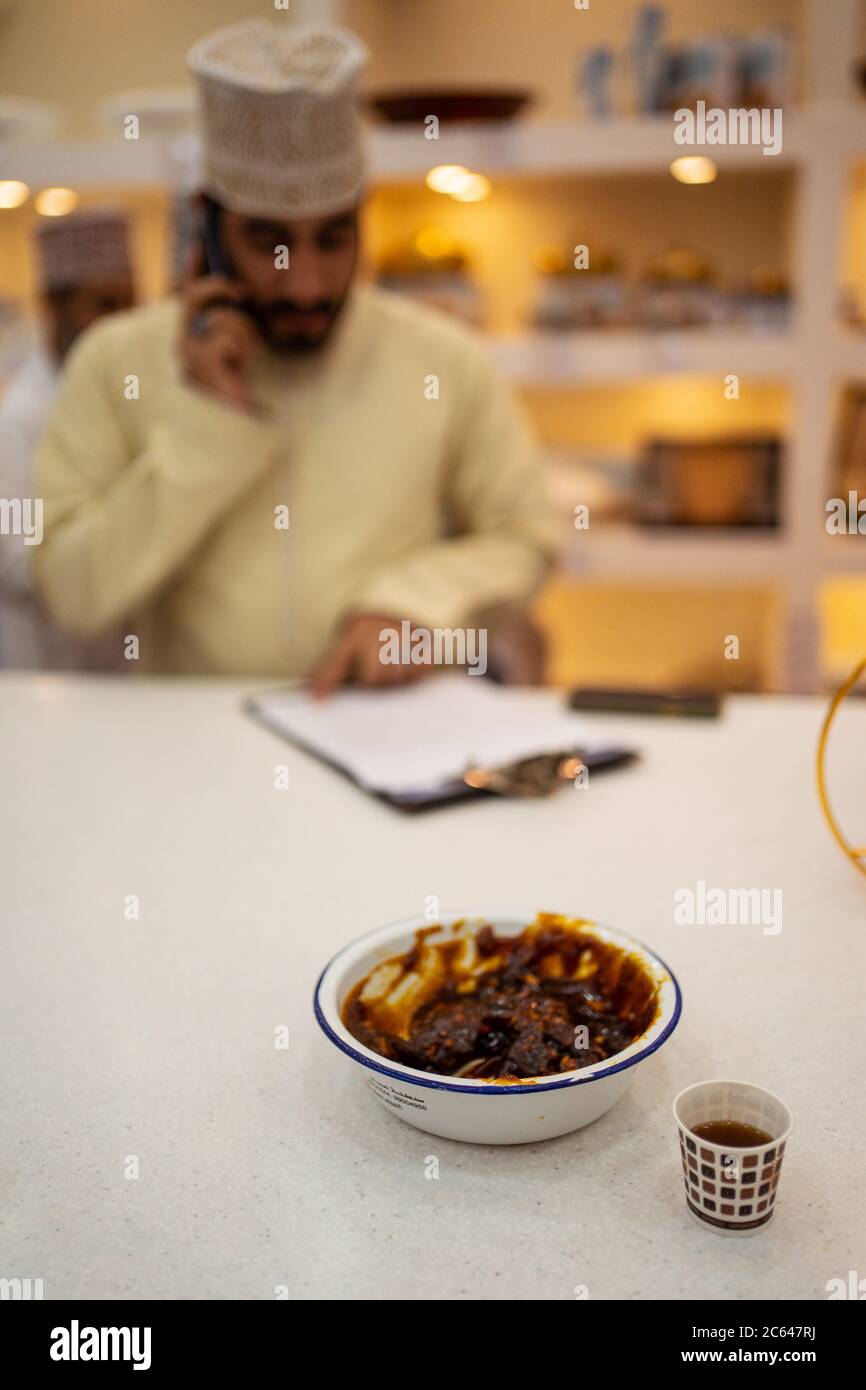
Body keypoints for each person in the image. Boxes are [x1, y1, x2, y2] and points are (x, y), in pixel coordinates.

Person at [34, 19, 561, 690]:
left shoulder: (444, 361)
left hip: (386, 741)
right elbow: (74, 596)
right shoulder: (116, 363)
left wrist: (413, 602)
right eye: (268, 241)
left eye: (334, 238)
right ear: (209, 224)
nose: (305, 282)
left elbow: (527, 537)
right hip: (192, 748)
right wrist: (208, 425)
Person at [0, 209, 135, 668]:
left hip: (122, 676)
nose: (124, 322)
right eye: (105, 304)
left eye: (130, 303)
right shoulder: (19, 422)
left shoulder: (129, 400)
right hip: (48, 669)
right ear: (54, 307)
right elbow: (19, 559)